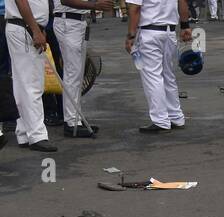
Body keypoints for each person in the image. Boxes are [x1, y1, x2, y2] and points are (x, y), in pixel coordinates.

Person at [125, 0, 189, 133]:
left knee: (153, 76)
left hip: (150, 32)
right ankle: (176, 117)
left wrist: (131, 35)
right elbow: (182, 2)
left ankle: (160, 121)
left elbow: (135, 9)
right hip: (169, 31)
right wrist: (185, 26)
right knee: (168, 76)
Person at [53, 0, 111, 137]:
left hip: (76, 21)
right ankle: (71, 121)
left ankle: (76, 118)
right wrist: (94, 6)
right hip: (68, 21)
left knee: (77, 73)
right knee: (73, 73)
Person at [5, 0, 55, 150]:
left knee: (22, 84)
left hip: (24, 26)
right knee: (32, 85)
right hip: (24, 27)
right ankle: (37, 135)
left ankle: (24, 132)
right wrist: (35, 29)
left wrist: (38, 28)